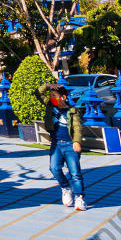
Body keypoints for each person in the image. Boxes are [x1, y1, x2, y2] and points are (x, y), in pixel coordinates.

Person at [40, 81, 86, 210]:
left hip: (70, 145)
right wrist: (48, 86)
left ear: (63, 97)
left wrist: (77, 141)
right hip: (56, 145)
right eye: (50, 95)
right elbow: (38, 93)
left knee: (75, 173)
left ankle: (79, 198)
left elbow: (77, 127)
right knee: (54, 168)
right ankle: (65, 187)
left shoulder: (72, 111)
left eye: (54, 95)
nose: (51, 98)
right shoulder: (50, 106)